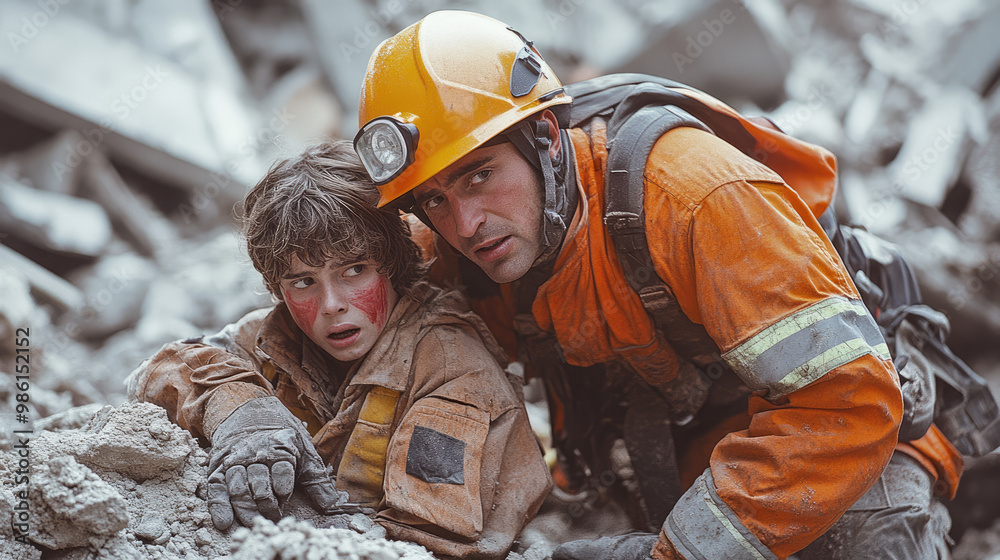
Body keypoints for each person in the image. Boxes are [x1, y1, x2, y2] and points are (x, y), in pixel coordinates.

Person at [352, 10, 965, 560]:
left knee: (868, 547)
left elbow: (846, 405)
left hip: (854, 438)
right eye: (432, 198)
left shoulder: (693, 197)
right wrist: (256, 420)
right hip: (701, 459)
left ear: (545, 138)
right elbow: (342, 346)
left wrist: (670, 555)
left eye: (479, 175)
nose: (464, 223)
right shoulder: (471, 242)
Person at [127, 140, 551, 559]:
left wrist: (295, 518)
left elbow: (424, 544)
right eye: (303, 281)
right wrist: (241, 414)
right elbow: (160, 372)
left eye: (354, 270)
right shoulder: (276, 338)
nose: (331, 305)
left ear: (393, 266)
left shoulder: (454, 373)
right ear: (278, 288)